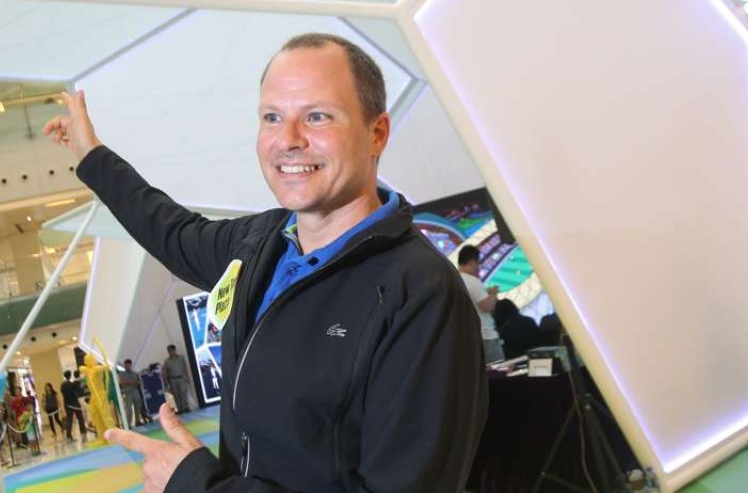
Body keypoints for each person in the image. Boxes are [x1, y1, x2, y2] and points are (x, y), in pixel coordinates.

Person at [44, 32, 487, 492]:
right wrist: (91, 156)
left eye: (317, 116)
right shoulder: (260, 244)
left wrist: (197, 485)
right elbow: (167, 228)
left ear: (376, 133)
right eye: (272, 118)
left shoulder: (419, 294)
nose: (289, 140)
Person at [457, 244, 504, 363]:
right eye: (478, 263)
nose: (479, 267)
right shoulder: (473, 281)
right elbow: (487, 306)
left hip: (467, 337)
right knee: (498, 373)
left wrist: (485, 292)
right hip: (486, 336)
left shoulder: (455, 279)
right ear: (472, 262)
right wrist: (493, 294)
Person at [162, 346, 190, 414]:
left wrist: (187, 377)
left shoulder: (181, 358)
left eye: (171, 350)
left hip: (181, 378)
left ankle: (185, 407)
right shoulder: (167, 361)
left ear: (174, 350)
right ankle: (180, 409)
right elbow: (165, 371)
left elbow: (185, 367)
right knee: (176, 395)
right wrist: (166, 380)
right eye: (168, 351)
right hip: (172, 379)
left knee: (183, 393)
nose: (170, 352)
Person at [61, 370, 87, 441]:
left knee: (69, 419)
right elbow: (77, 392)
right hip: (74, 403)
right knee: (80, 418)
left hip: (67, 403)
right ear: (70, 375)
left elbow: (63, 393)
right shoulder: (72, 384)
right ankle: (83, 432)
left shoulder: (63, 385)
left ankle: (68, 435)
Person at [120, 359, 146, 428]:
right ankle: (128, 424)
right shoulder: (122, 374)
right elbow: (123, 383)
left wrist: (130, 382)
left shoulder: (134, 373)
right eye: (126, 365)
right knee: (129, 409)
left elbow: (137, 382)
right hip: (127, 392)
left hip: (135, 390)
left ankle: (137, 421)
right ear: (124, 365)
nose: (127, 366)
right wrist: (132, 382)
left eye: (128, 365)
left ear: (130, 365)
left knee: (138, 406)